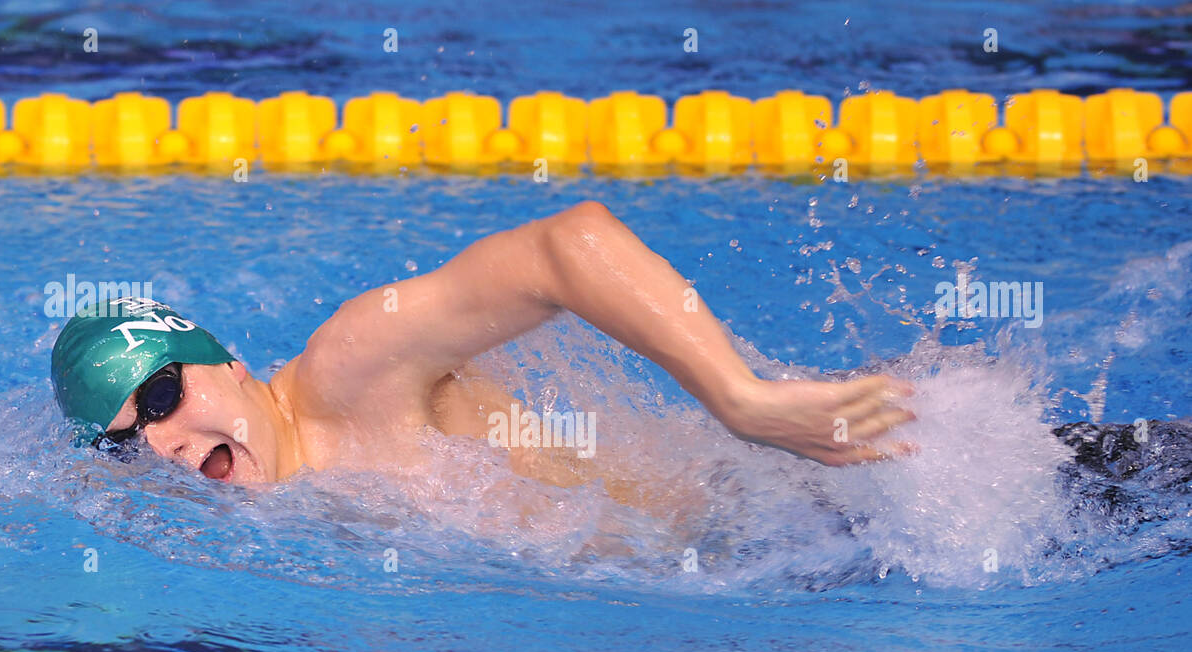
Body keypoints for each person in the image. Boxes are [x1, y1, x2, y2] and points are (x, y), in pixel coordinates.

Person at [50, 201, 918, 496]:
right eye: (129, 442)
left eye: (161, 399)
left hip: (835, 487)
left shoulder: (350, 367)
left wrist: (741, 399)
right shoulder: (283, 498)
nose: (162, 444)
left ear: (228, 360)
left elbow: (565, 246)